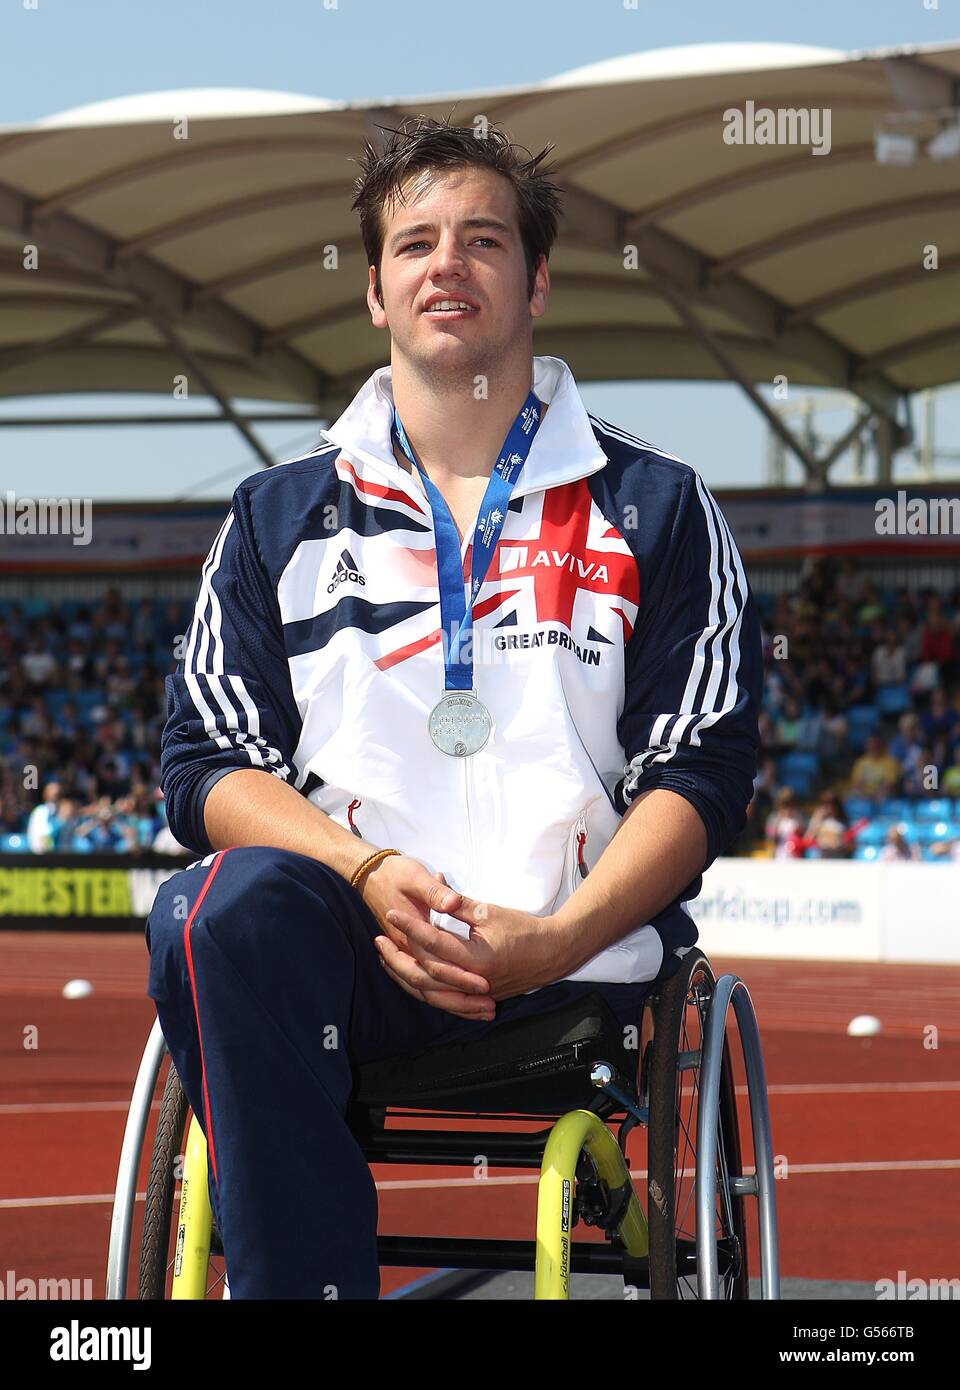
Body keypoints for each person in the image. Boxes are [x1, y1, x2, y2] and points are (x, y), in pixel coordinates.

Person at [145, 116, 762, 1300]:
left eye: (482, 238)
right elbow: (207, 767)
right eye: (415, 241)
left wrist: (557, 938)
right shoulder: (274, 517)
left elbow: (700, 773)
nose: (447, 262)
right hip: (346, 958)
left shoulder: (657, 505)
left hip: (577, 971)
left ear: (536, 279)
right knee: (213, 908)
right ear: (374, 289)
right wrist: (365, 870)